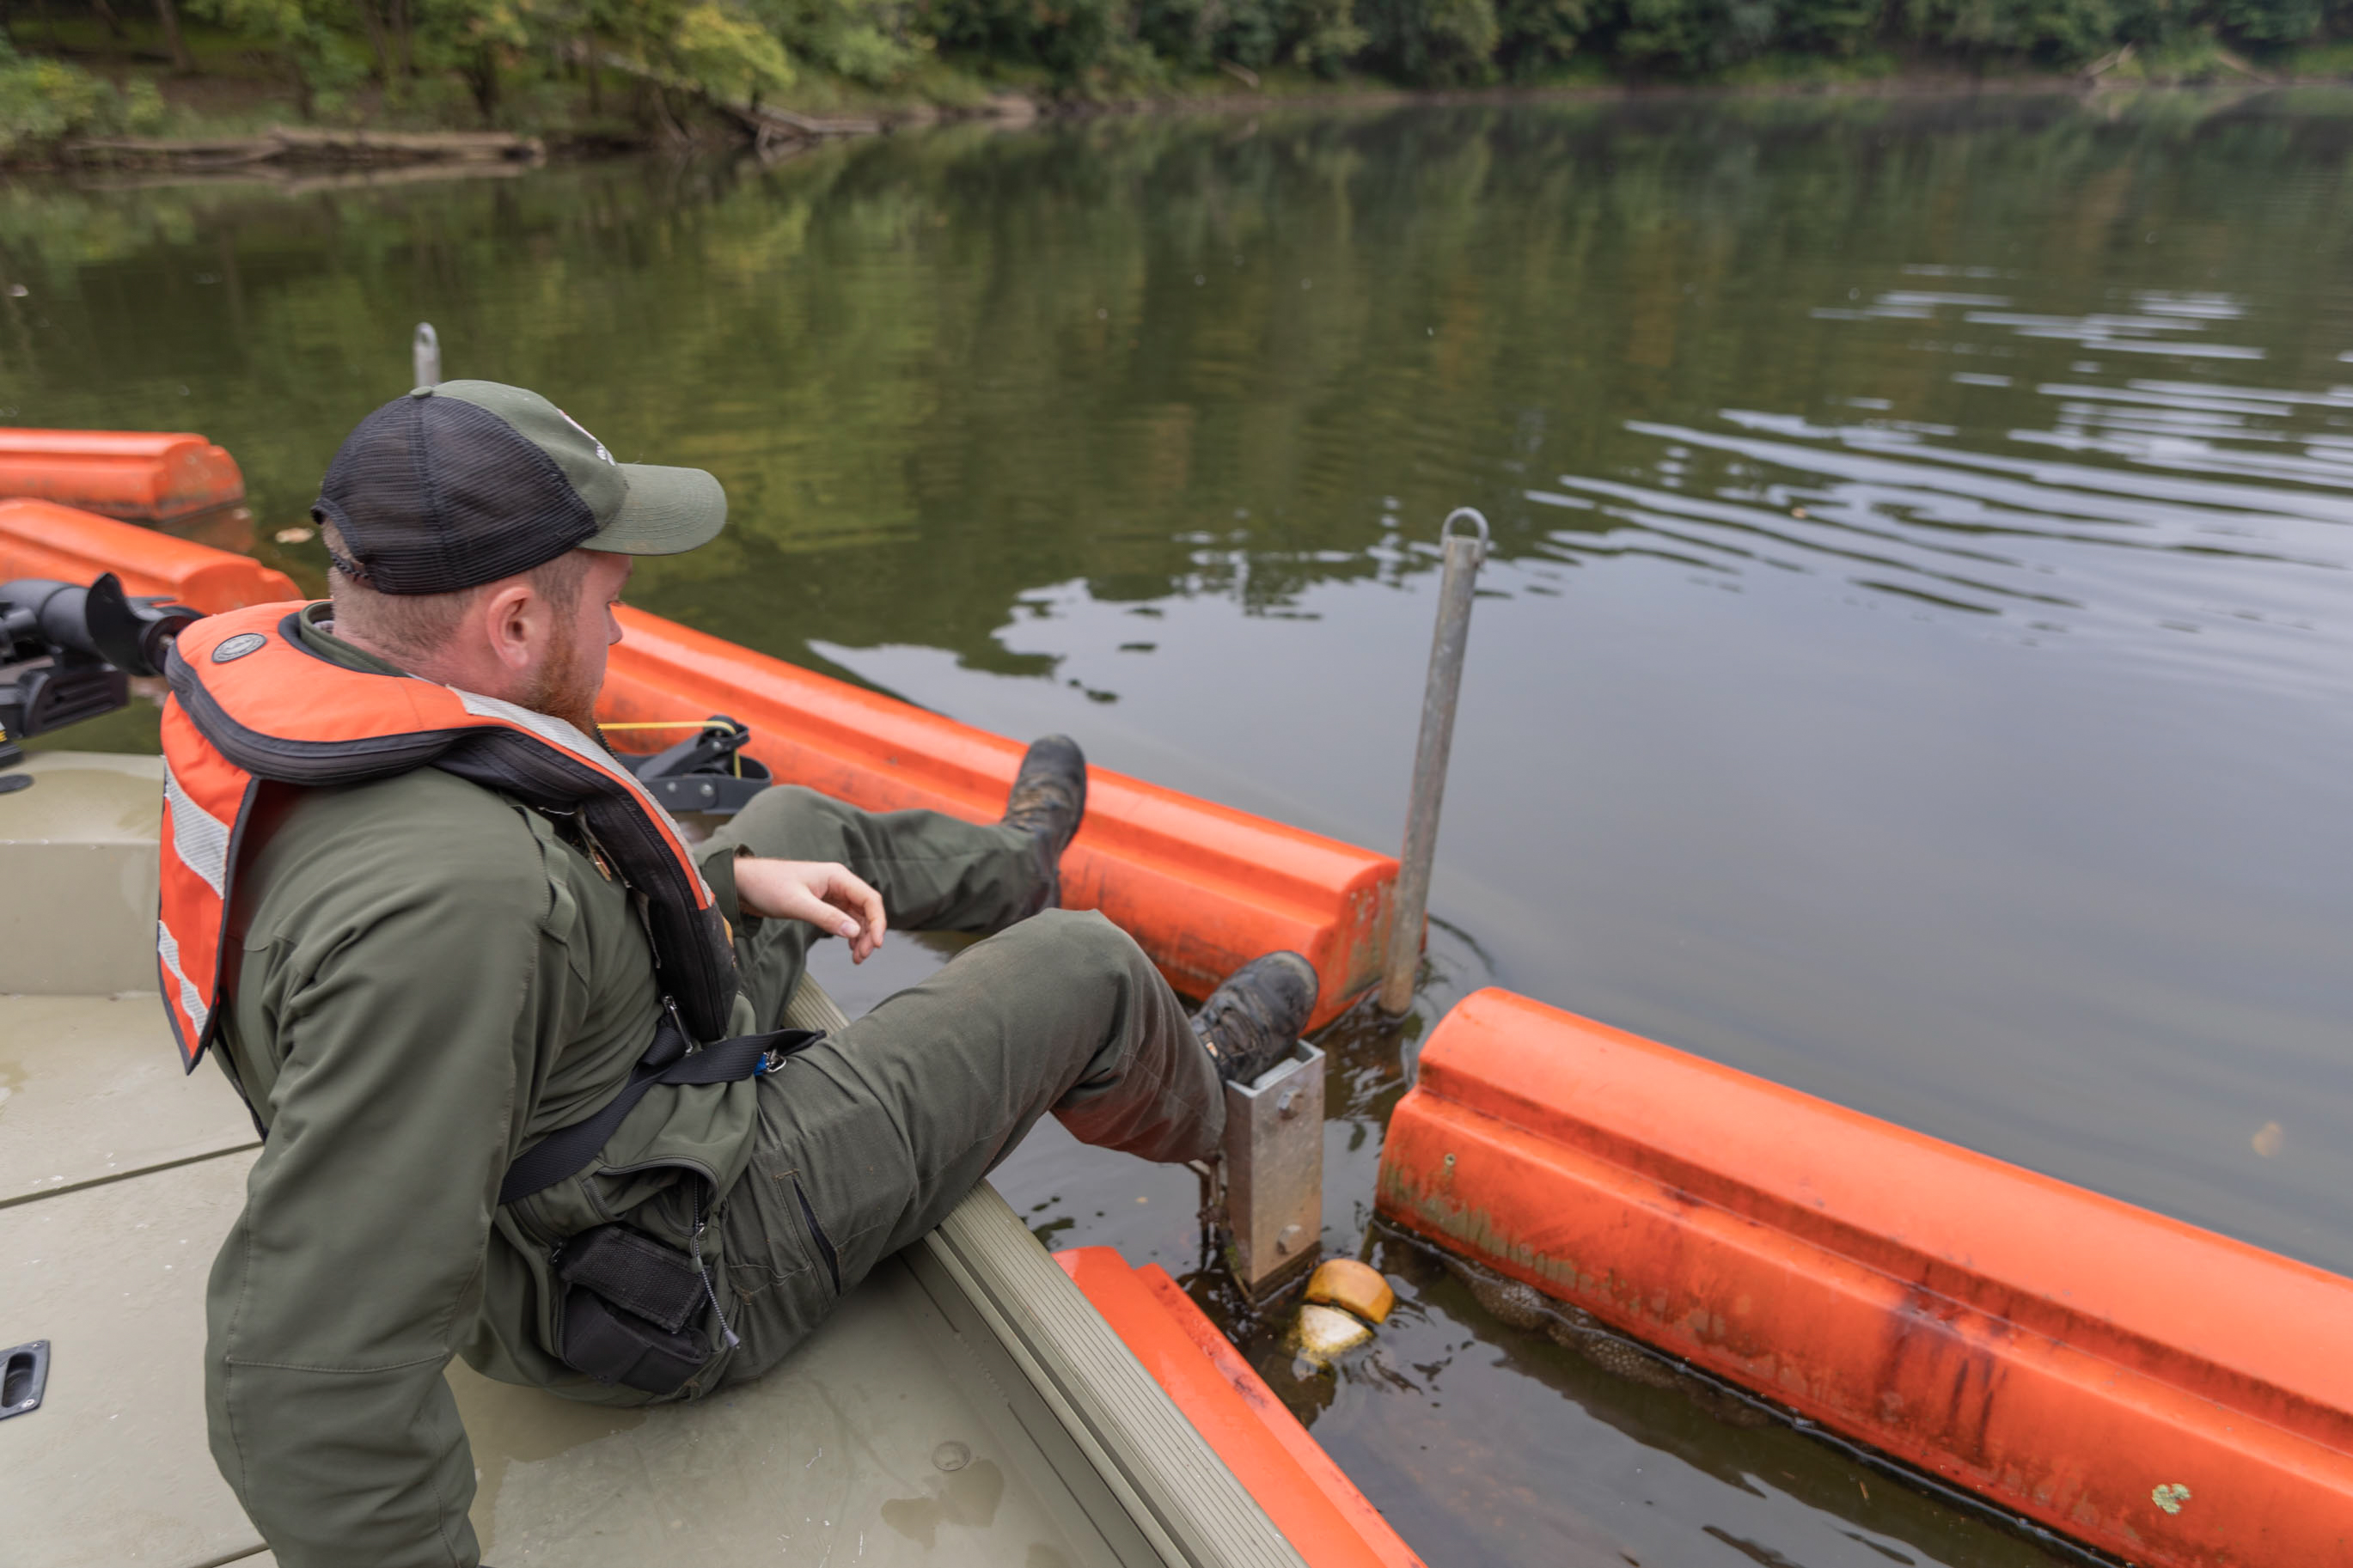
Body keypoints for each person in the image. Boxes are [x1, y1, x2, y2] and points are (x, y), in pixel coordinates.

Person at [156, 380, 1318, 1568]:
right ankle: (1204, 1083)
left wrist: (721, 884)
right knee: (1089, 968)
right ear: (511, 621)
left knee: (793, 819)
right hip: (664, 1264)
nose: (620, 634)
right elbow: (304, 1383)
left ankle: (1014, 868)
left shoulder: (341, 690)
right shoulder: (449, 911)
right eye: (610, 603)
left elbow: (527, 941)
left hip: (599, 1084)